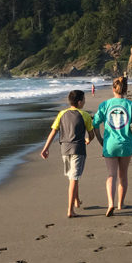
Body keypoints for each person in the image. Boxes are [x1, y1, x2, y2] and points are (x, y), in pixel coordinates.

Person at [40, 90, 95, 218]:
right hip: (78, 150)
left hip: (64, 149)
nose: (85, 101)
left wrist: (45, 148)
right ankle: (70, 210)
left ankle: (76, 200)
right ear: (80, 102)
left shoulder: (62, 113)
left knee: (72, 177)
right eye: (84, 99)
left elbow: (53, 132)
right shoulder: (85, 115)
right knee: (74, 178)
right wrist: (88, 140)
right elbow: (91, 134)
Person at [92, 77, 132, 217]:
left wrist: (100, 140)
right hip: (126, 144)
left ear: (113, 89)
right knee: (123, 175)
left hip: (109, 145)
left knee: (111, 175)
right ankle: (121, 203)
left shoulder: (105, 105)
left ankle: (110, 203)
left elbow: (95, 124)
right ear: (126, 90)